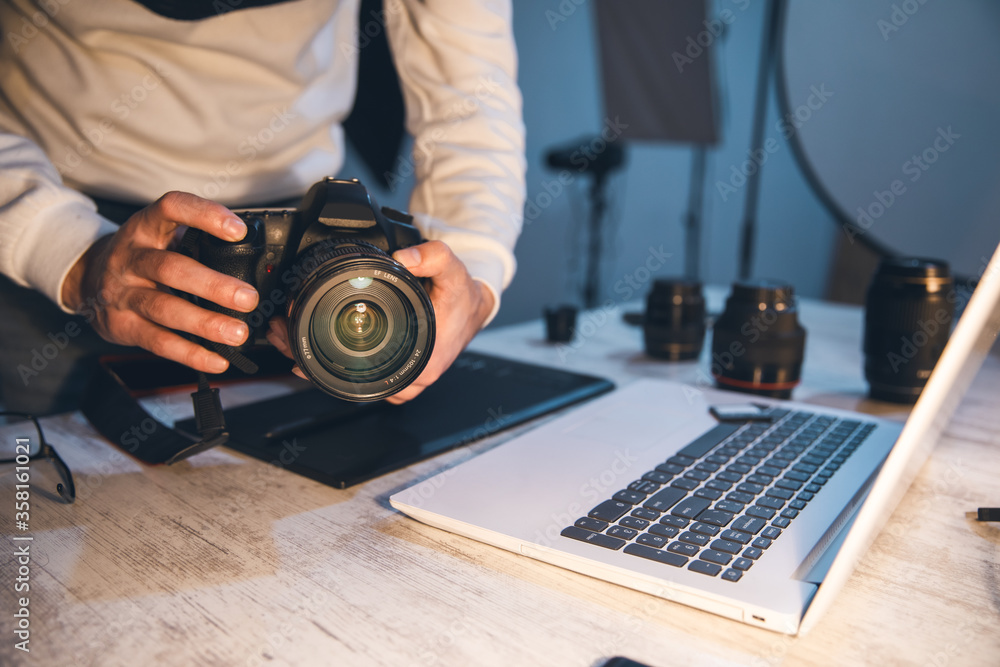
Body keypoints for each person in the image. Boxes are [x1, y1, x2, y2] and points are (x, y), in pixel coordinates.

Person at [0, 0, 526, 414]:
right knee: (44, 511)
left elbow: (472, 92)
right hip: (68, 228)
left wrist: (474, 274)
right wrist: (66, 252)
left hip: (301, 216)